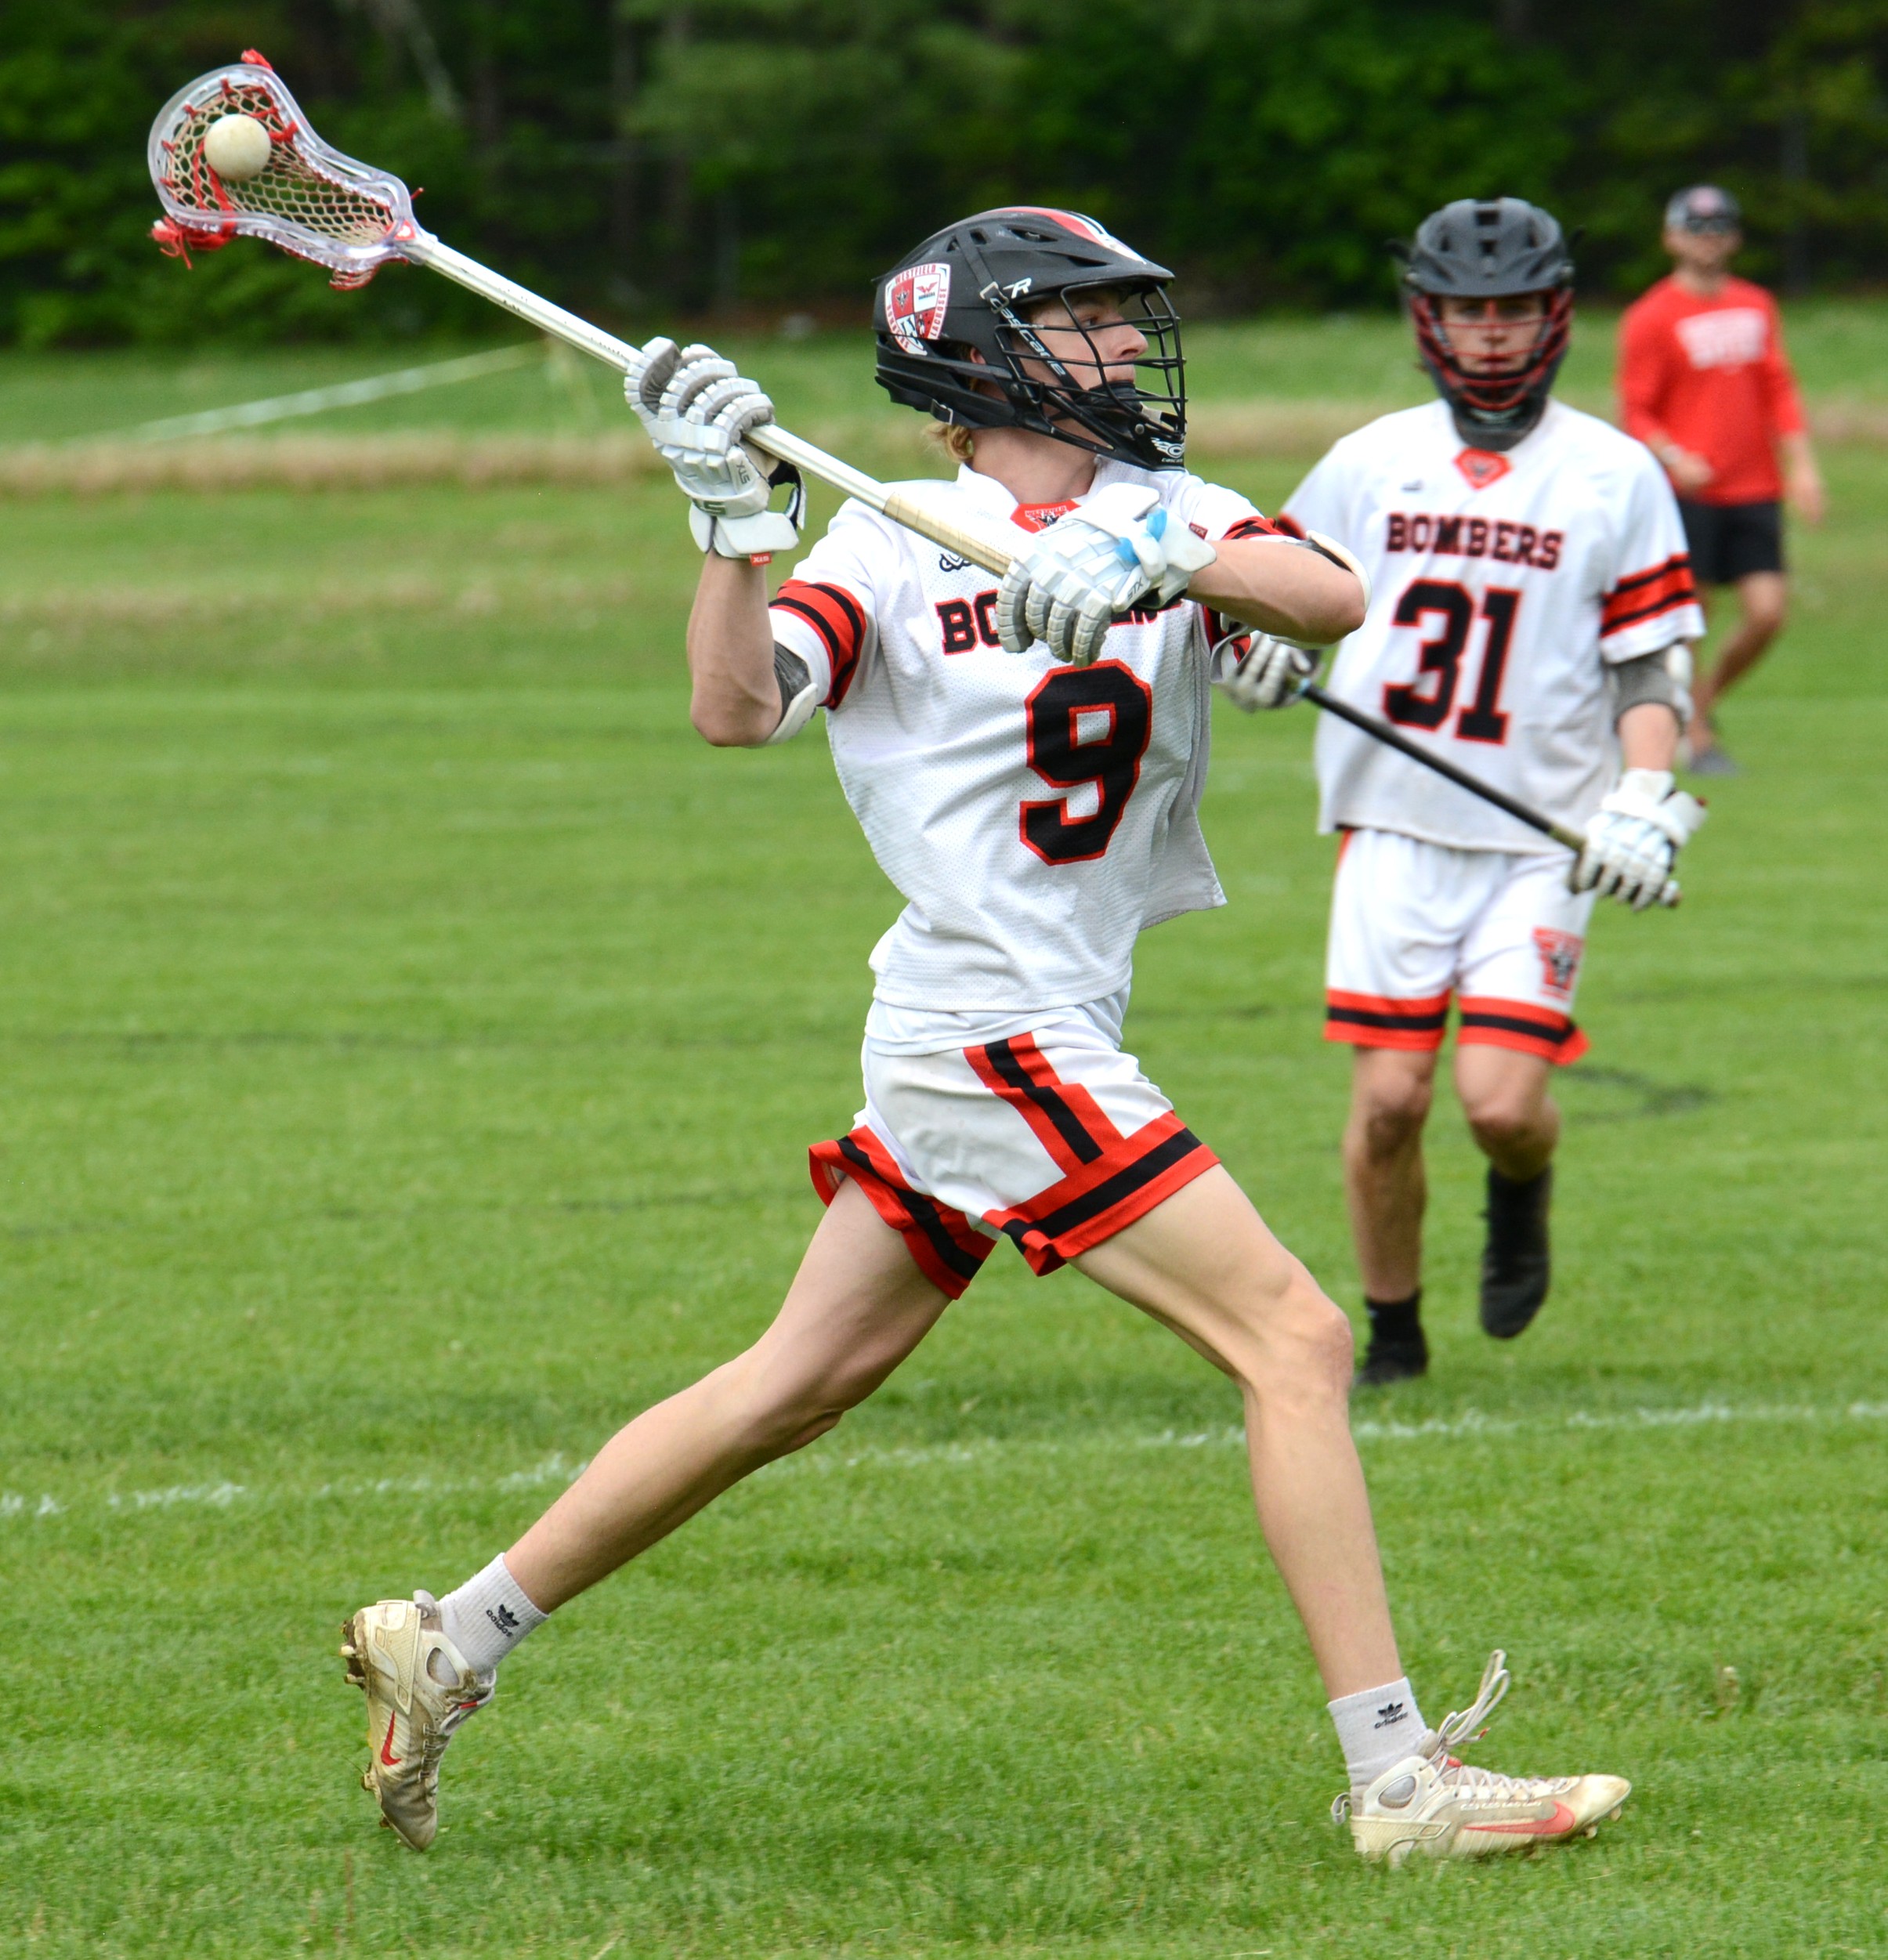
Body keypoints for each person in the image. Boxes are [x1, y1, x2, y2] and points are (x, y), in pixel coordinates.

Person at [341, 207, 1630, 1864]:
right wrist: (730, 531)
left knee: (790, 1383)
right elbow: (735, 705)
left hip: (1031, 1014)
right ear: (989, 354)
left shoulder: (1159, 509)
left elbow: (1325, 591)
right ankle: (1396, 1779)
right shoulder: (888, 539)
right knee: (1296, 1341)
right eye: (1087, 324)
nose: (1123, 350)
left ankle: (450, 1636)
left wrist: (1174, 566)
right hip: (986, 1026)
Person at [1219, 197, 1707, 1387]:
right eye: (1464, 311)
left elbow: (1645, 663)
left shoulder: (1611, 471)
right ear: (1425, 317)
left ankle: (1520, 1190)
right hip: (1391, 823)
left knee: (1497, 1104)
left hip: (1540, 835)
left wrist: (1645, 791)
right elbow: (1263, 586)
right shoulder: (1369, 460)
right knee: (1387, 1100)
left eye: (1509, 310)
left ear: (1554, 315)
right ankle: (1393, 1329)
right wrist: (1255, 646)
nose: (1488, 334)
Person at [1617, 184, 1824, 776]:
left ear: (1733, 237)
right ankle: (1695, 734)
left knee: (1768, 612)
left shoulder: (1756, 305)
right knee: (1693, 615)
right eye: (1695, 228)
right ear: (1671, 237)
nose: (1707, 240)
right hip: (1690, 491)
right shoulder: (1652, 316)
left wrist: (1802, 465)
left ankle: (1700, 702)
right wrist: (1672, 455)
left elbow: (1778, 390)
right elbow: (1636, 408)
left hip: (1755, 484)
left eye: (1718, 228)